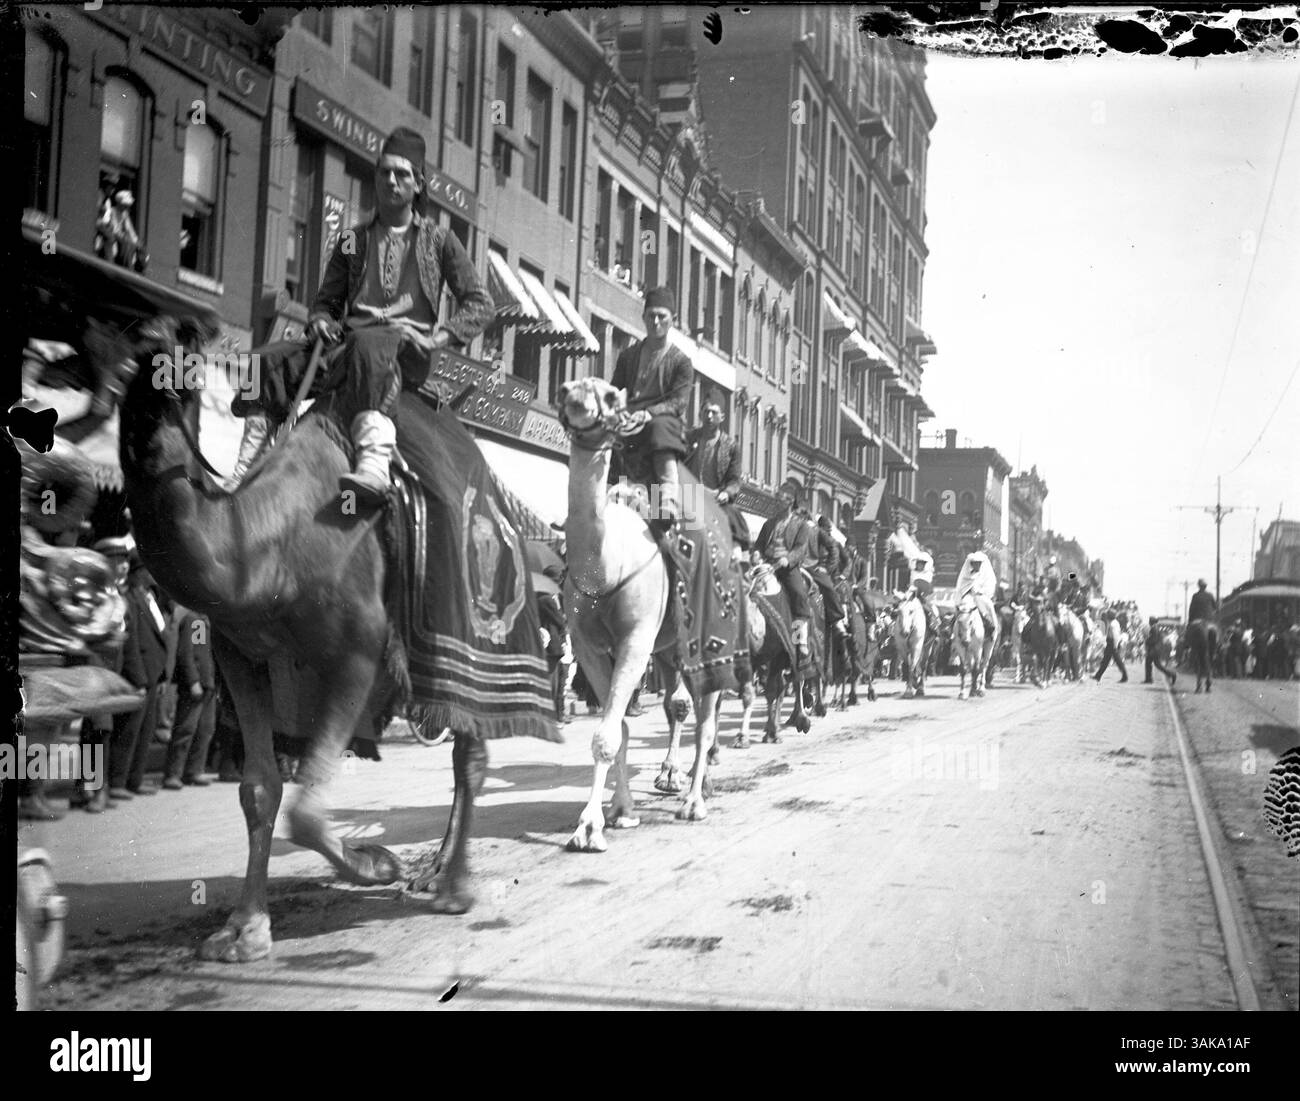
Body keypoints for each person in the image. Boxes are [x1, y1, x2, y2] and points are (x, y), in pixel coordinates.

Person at [231, 127, 494, 500]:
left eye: (402, 174)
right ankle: (247, 466)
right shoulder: (353, 238)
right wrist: (321, 320)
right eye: (384, 171)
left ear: (418, 184)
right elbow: (325, 303)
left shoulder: (440, 241)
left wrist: (437, 338)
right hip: (346, 347)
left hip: (404, 351)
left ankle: (373, 461)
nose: (391, 180)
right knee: (267, 361)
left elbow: (481, 304)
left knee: (372, 343)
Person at [610, 287, 693, 527]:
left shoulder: (681, 362)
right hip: (631, 420)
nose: (655, 322)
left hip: (660, 420)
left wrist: (648, 413)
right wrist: (618, 410)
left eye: (662, 316)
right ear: (643, 317)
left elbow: (679, 403)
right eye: (651, 316)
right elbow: (614, 390)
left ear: (672, 321)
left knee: (660, 427)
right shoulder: (628, 356)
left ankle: (667, 498)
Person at [754, 481, 815, 660]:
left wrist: (787, 559)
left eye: (781, 499)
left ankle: (800, 638)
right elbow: (758, 545)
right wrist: (756, 554)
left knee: (798, 594)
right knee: (746, 588)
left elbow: (800, 549)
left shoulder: (801, 525)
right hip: (767, 566)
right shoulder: (769, 524)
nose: (778, 502)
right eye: (778, 499)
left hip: (787, 569)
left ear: (790, 501)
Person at [163, 608, 217, 789]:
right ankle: (173, 773)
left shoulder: (207, 620)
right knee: (186, 728)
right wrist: (193, 680)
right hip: (197, 683)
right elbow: (187, 652)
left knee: (205, 729)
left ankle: (194, 771)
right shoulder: (196, 620)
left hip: (208, 683)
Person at [685, 398, 748, 553]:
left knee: (732, 519)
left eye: (714, 412)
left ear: (722, 417)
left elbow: (734, 480)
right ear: (700, 414)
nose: (709, 416)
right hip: (687, 495)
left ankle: (735, 562)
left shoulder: (731, 446)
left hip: (715, 499)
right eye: (706, 411)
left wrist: (726, 493)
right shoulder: (689, 438)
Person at [954, 551, 998, 637]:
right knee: (959, 609)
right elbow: (960, 587)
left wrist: (979, 591)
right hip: (967, 597)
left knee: (989, 606)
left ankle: (992, 627)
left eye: (978, 563)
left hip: (981, 597)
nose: (976, 565)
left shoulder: (985, 575)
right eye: (974, 563)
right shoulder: (966, 574)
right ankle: (952, 630)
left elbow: (989, 587)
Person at [1093, 608, 1129, 683]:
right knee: (1106, 661)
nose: (1107, 615)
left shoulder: (1113, 624)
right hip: (1110, 643)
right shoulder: (1113, 622)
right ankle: (1098, 675)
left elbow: (1115, 636)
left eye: (1108, 614)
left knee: (1117, 661)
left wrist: (1115, 646)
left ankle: (1125, 676)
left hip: (1112, 644)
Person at [1143, 616, 1177, 686]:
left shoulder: (1154, 628)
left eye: (1150, 621)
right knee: (1157, 665)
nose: (1149, 622)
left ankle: (1149, 679)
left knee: (1150, 663)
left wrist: (1147, 641)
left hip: (1154, 649)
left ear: (1152, 622)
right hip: (1156, 649)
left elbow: (1153, 639)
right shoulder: (1155, 627)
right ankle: (1171, 674)